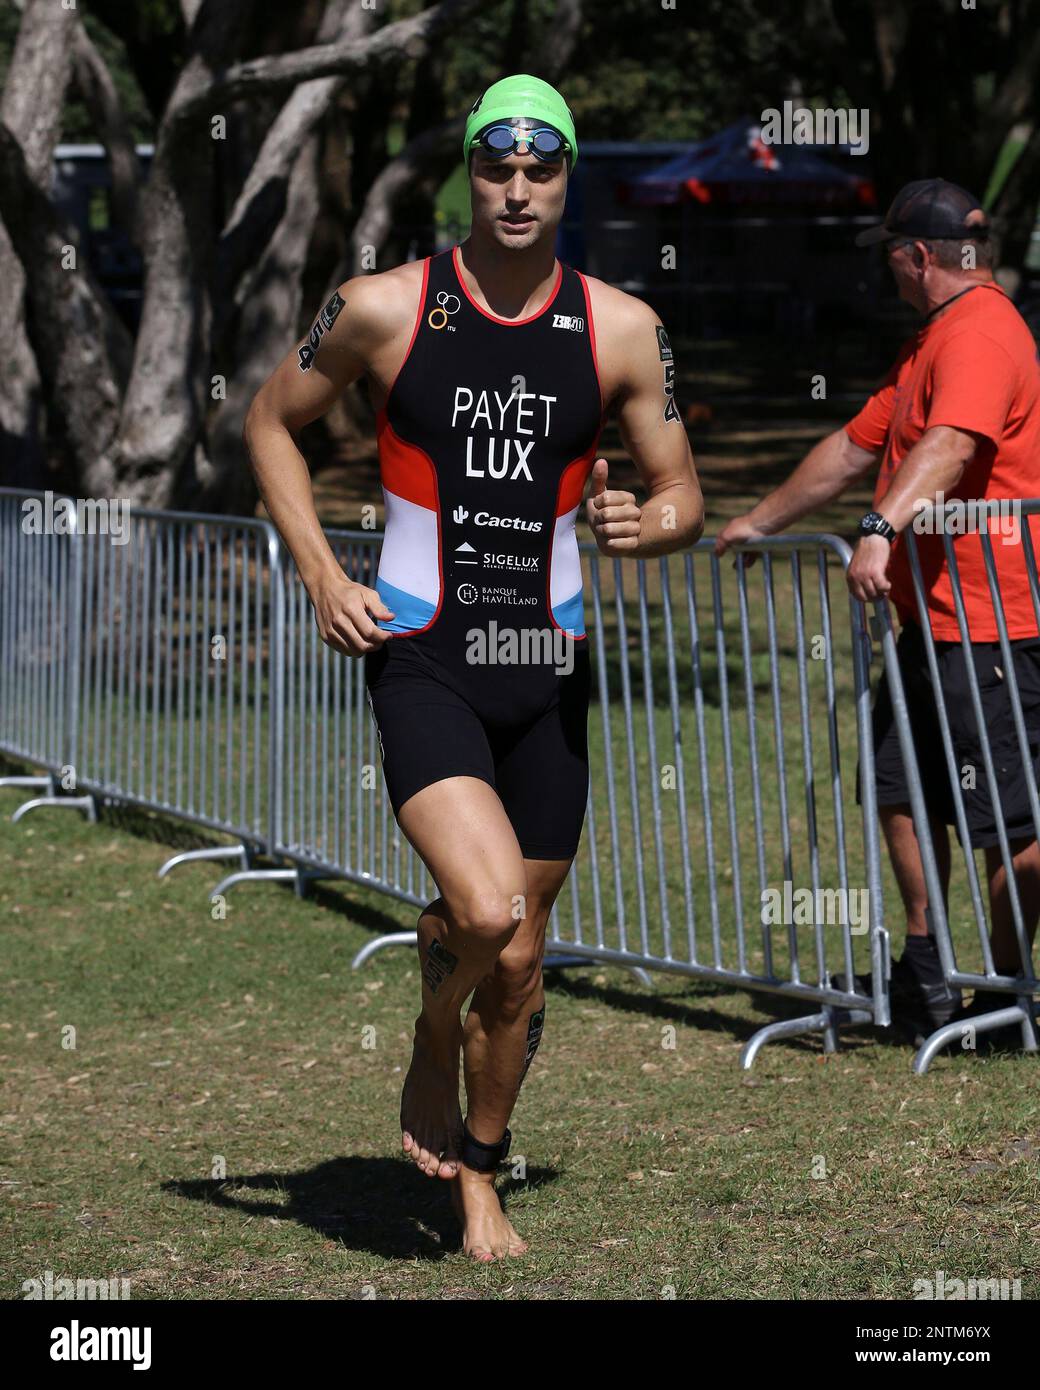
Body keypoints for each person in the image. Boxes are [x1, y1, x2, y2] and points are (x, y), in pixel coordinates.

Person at [244, 74, 703, 1257]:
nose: (513, 187)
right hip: (425, 657)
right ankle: (425, 1044)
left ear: (564, 177)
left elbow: (681, 494)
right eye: (493, 167)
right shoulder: (381, 308)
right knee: (485, 910)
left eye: (537, 167)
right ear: (467, 174)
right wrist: (318, 571)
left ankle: (478, 1169)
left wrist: (643, 528)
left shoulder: (621, 328)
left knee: (522, 957)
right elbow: (265, 421)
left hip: (546, 671)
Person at [717, 179, 1040, 1045]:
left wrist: (879, 528)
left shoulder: (980, 333)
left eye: (890, 256)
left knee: (1012, 826)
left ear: (919, 257)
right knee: (901, 792)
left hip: (993, 622)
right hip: (931, 624)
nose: (887, 273)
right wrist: (760, 519)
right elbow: (855, 446)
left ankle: (1010, 997)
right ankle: (928, 974)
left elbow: (953, 444)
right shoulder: (932, 341)